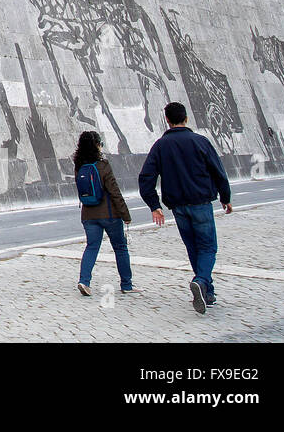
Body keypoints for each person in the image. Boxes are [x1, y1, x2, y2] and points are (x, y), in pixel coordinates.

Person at [138, 101, 233, 314]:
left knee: (193, 249)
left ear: (168, 121)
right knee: (208, 248)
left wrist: (155, 205)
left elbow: (145, 178)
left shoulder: (160, 146)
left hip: (178, 207)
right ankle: (201, 281)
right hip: (201, 203)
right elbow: (219, 172)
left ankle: (207, 292)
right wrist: (225, 198)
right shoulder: (201, 141)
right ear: (186, 118)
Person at [72, 131, 140, 296]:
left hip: (88, 215)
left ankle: (84, 281)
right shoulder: (103, 165)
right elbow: (114, 192)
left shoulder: (79, 166)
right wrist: (126, 215)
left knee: (92, 246)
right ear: (96, 145)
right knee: (120, 248)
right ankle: (126, 284)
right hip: (109, 214)